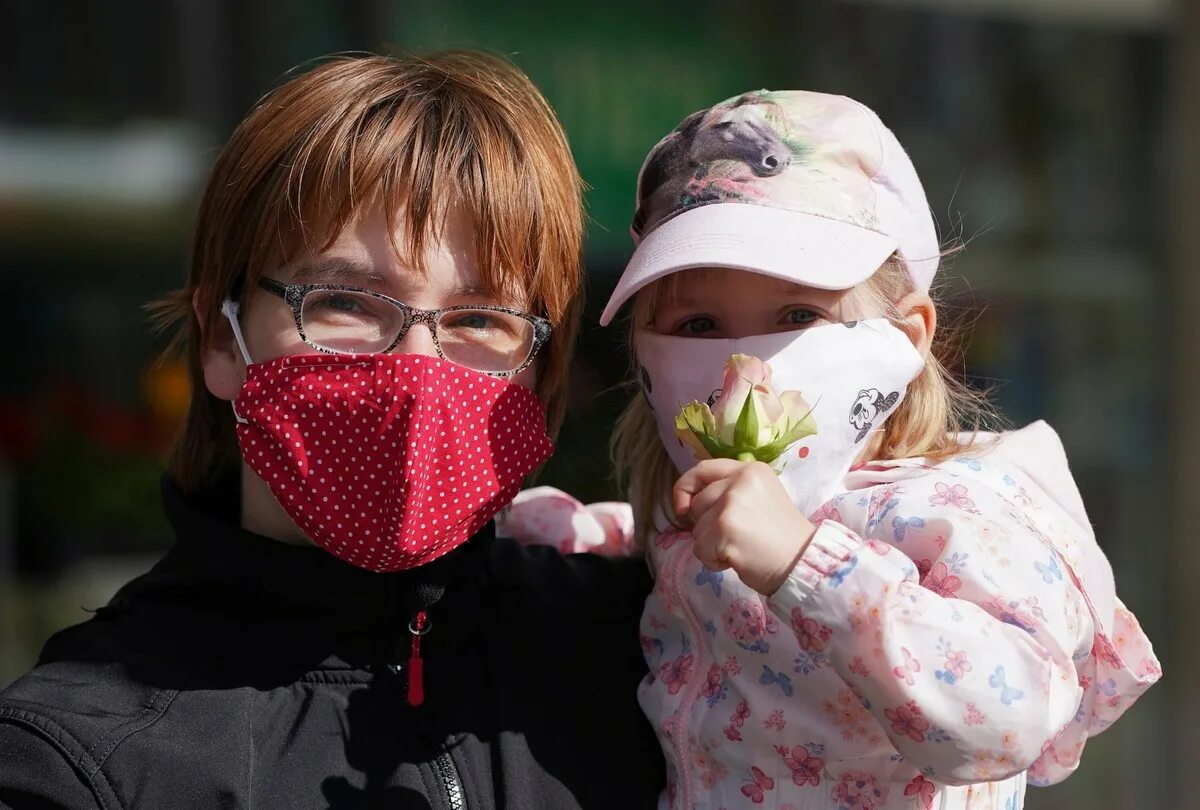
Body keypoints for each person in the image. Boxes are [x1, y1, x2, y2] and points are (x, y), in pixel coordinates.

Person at [0, 52, 663, 809]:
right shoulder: (81, 762)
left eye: (481, 319)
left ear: (543, 371)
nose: (417, 368)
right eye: (344, 302)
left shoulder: (663, 658)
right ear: (221, 340)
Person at [596, 90, 1161, 809]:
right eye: (698, 324)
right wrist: (577, 530)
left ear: (907, 335)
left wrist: (805, 565)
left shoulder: (955, 511)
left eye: (798, 314)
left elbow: (1005, 720)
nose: (746, 357)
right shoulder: (691, 510)